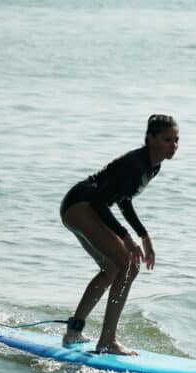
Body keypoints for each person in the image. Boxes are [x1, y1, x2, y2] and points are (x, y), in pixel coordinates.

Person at [59, 114, 179, 355]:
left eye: (176, 140)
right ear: (150, 139)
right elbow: (100, 202)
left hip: (80, 206)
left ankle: (74, 331)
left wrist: (144, 236)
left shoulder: (153, 165)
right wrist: (126, 237)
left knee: (113, 269)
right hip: (82, 205)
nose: (174, 145)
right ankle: (107, 340)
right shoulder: (136, 164)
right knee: (128, 266)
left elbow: (124, 198)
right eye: (167, 140)